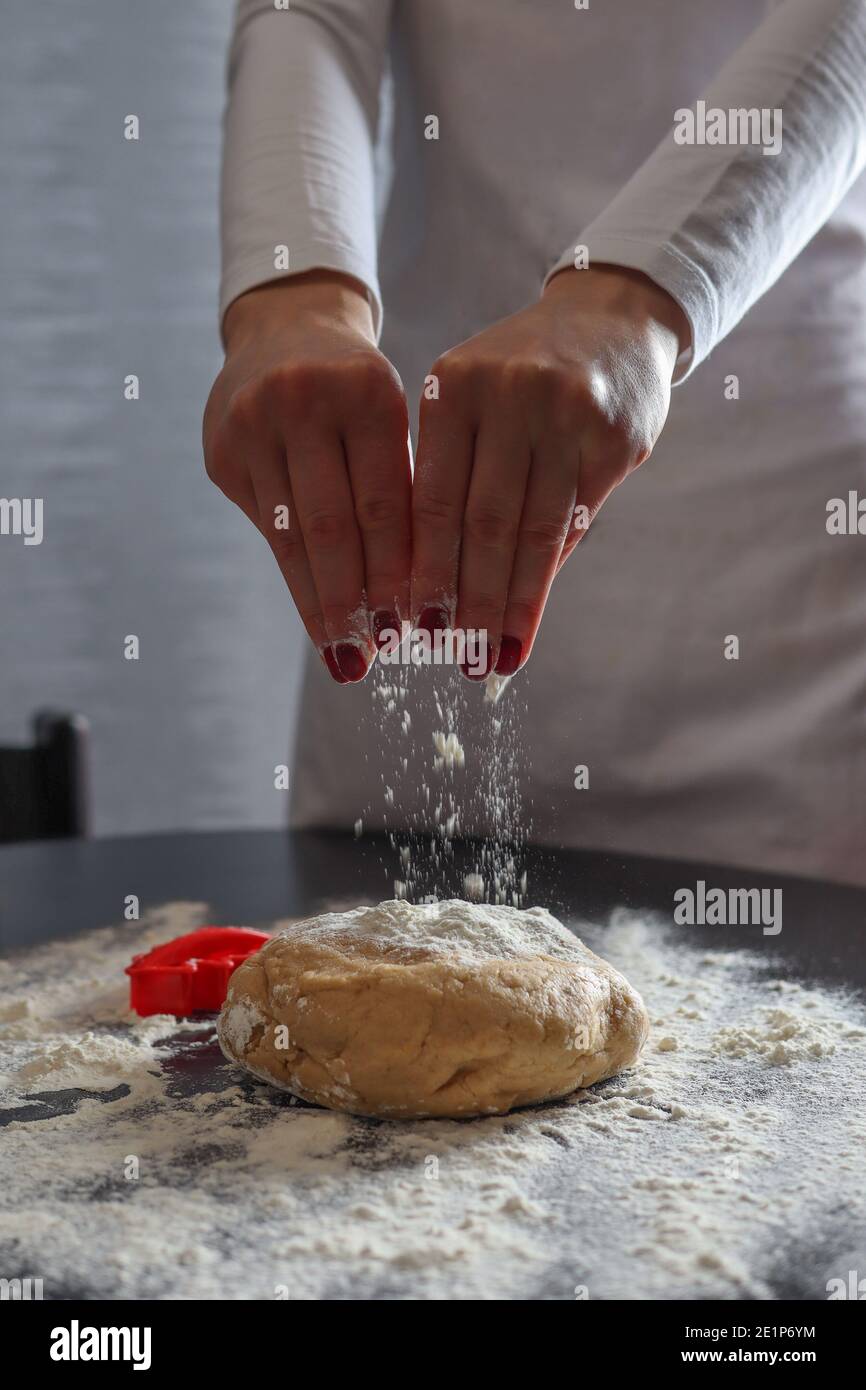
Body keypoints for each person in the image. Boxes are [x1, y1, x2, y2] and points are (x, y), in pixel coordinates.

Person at [204, 0, 866, 887]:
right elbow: (309, 14)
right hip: (424, 523)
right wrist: (293, 295)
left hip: (771, 576)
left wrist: (635, 294)